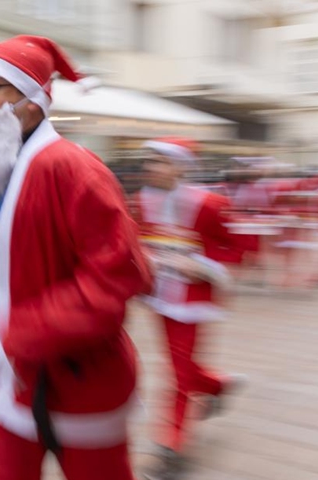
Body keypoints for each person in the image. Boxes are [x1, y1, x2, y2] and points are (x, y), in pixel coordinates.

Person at [0, 35, 152, 480]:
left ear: (31, 99)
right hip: (13, 386)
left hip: (82, 387)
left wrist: (7, 330)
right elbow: (4, 271)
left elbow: (116, 281)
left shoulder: (75, 169)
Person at [133, 137, 247, 480]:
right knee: (179, 366)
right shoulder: (143, 199)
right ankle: (217, 384)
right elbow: (141, 238)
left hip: (193, 300)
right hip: (160, 298)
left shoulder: (209, 203)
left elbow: (237, 248)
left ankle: (171, 446)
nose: (152, 168)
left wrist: (205, 267)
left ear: (181, 166)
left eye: (161, 161)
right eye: (150, 161)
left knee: (178, 376)